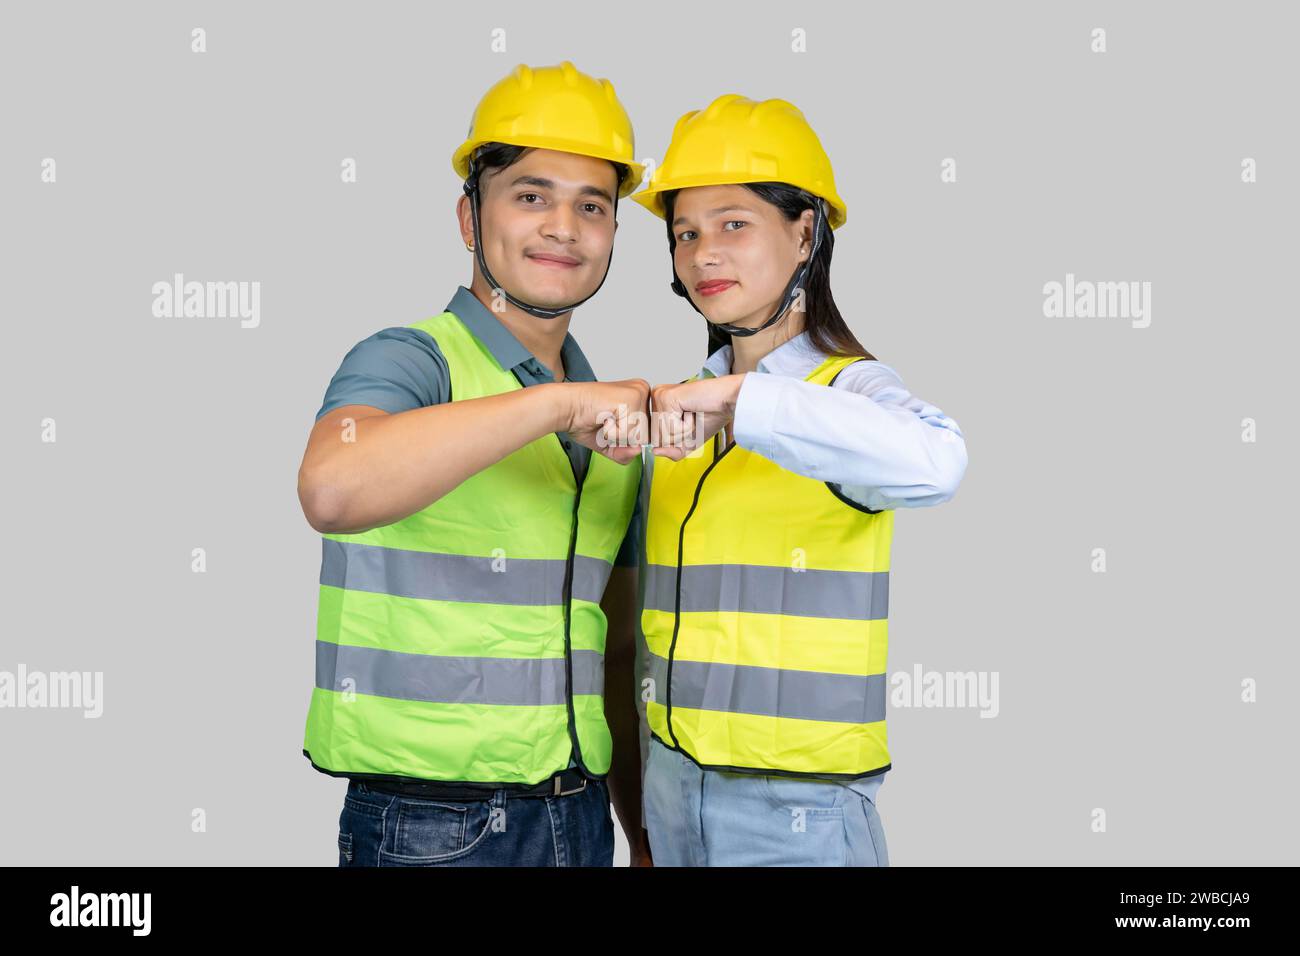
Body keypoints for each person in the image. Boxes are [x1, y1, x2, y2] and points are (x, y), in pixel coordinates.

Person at [297, 61, 653, 866]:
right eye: (532, 195)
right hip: (430, 828)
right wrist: (558, 405)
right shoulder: (409, 359)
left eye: (591, 206)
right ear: (469, 217)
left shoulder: (612, 426)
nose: (564, 226)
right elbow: (331, 486)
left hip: (580, 815)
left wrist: (640, 832)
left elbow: (615, 652)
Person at [628, 93, 969, 866]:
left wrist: (742, 400)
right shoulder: (681, 415)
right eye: (685, 233)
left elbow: (938, 462)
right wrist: (652, 813)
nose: (703, 253)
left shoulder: (849, 390)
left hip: (797, 819)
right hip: (674, 797)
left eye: (733, 224)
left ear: (806, 231)